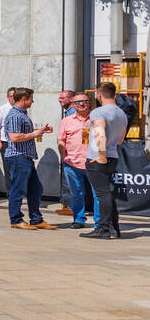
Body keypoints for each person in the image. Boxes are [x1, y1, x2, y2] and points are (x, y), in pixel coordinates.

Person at [1, 87, 55, 230]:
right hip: (18, 157)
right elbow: (14, 137)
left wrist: (40, 132)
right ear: (24, 99)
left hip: (26, 157)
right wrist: (34, 134)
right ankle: (16, 219)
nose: (33, 101)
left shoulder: (22, 114)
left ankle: (36, 219)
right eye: (31, 98)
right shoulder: (14, 115)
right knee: (18, 190)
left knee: (36, 189)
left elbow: (23, 134)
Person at [84, 81, 129, 239]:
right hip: (113, 156)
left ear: (99, 95)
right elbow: (120, 139)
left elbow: (100, 134)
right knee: (108, 193)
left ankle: (103, 229)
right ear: (114, 94)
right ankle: (113, 228)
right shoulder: (121, 113)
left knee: (103, 194)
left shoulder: (98, 112)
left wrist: (101, 155)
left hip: (98, 157)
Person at [57, 95, 98, 229]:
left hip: (94, 162)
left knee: (97, 194)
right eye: (78, 102)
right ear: (73, 104)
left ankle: (100, 222)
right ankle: (79, 220)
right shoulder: (66, 121)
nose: (81, 104)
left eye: (84, 101)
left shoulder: (96, 118)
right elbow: (61, 140)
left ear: (89, 103)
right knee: (76, 193)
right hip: (72, 163)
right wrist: (63, 157)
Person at [0, 87, 18, 156]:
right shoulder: (1, 110)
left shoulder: (21, 110)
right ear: (8, 97)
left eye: (14, 96)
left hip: (19, 142)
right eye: (11, 96)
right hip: (6, 143)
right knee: (7, 166)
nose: (13, 98)